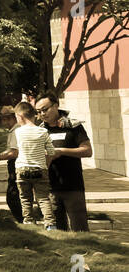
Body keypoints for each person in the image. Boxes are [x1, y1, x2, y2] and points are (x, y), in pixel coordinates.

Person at [34, 91, 92, 232]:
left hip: (73, 186)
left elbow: (87, 151)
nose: (42, 114)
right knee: (58, 231)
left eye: (45, 109)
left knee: (80, 230)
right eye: (38, 111)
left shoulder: (73, 126)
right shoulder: (40, 130)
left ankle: (84, 253)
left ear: (56, 106)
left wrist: (61, 151)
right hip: (50, 188)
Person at [8, 102, 54, 225]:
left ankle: (28, 222)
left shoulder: (17, 132)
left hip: (22, 168)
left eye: (16, 117)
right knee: (43, 198)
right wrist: (45, 163)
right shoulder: (43, 132)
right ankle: (50, 223)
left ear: (20, 116)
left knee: (25, 199)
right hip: (40, 169)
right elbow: (51, 152)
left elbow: (16, 149)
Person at [0, 104, 24, 223]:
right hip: (14, 165)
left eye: (5, 119)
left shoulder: (16, 131)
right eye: (2, 119)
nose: (3, 122)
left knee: (13, 197)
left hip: (16, 165)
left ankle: (21, 220)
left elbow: (15, 152)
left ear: (12, 118)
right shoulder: (13, 131)